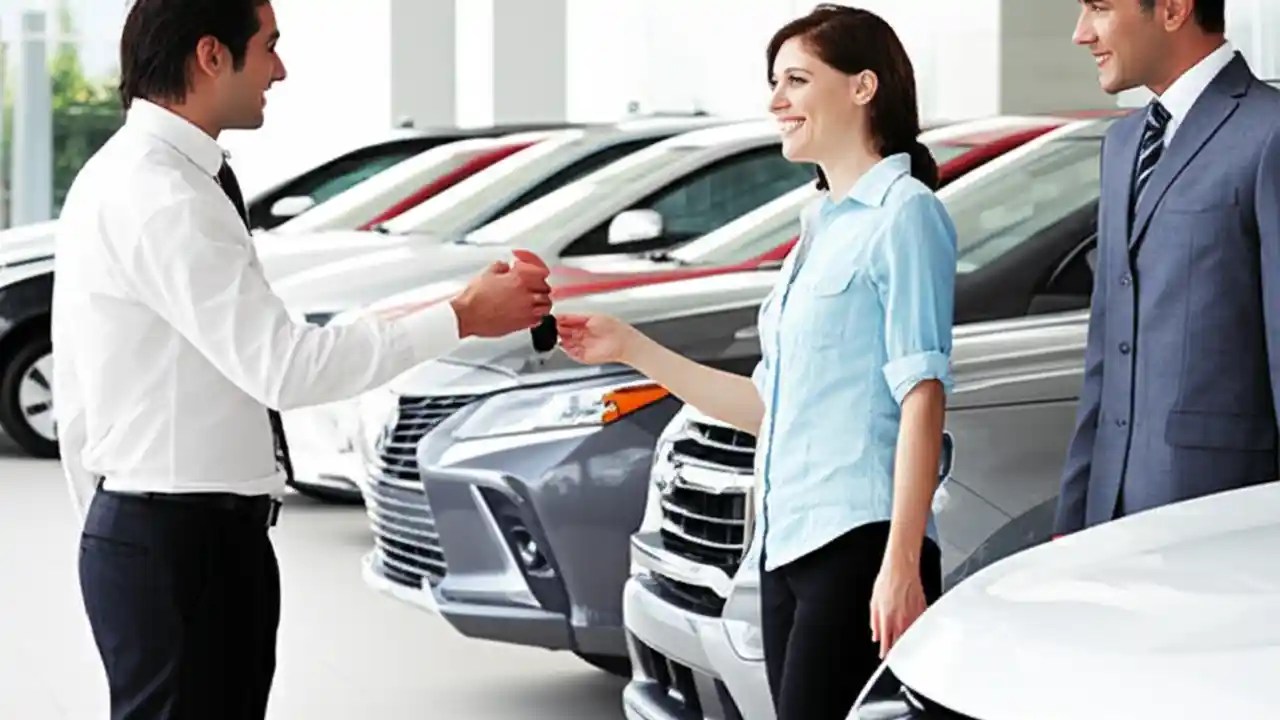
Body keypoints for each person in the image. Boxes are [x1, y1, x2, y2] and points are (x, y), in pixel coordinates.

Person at [51, 1, 553, 717]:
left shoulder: (154, 174)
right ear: (210, 55)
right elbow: (285, 368)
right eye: (269, 47)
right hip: (176, 540)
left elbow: (89, 388)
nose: (280, 71)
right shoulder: (161, 194)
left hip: (178, 532)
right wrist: (464, 317)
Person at [557, 5, 955, 718]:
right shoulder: (817, 230)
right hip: (783, 545)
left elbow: (922, 396)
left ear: (863, 87)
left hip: (858, 545)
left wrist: (900, 563)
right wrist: (630, 347)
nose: (776, 101)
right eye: (775, 82)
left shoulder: (905, 213)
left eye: (796, 80)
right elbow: (765, 407)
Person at [1054, 0, 1280, 537]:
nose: (1080, 34)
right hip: (1112, 516)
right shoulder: (1123, 143)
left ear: (1175, 9)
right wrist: (1077, 506)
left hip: (1224, 514)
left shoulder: (1270, 133)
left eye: (1100, 8)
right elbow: (1106, 345)